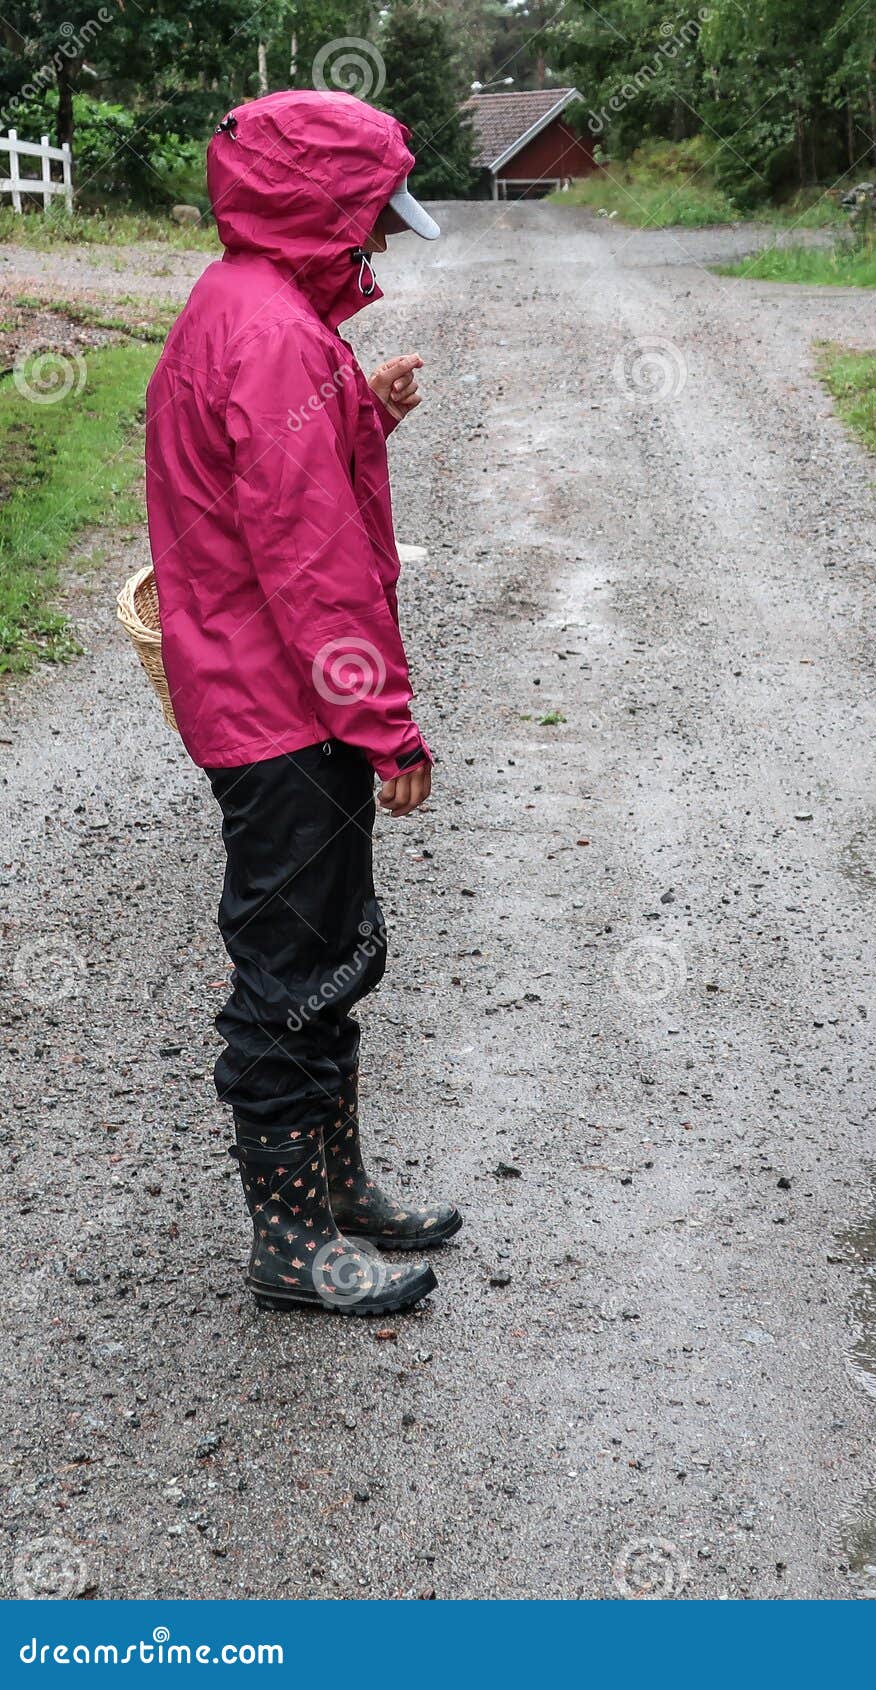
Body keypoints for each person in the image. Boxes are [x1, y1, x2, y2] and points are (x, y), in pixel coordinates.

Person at [144, 90, 456, 1315]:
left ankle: (336, 1192)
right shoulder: (269, 331)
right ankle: (290, 1243)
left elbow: (264, 478)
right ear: (318, 209)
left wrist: (355, 409)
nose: (378, 242)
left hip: (277, 699)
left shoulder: (254, 311)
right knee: (291, 970)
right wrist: (386, 722)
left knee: (333, 952)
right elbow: (311, 562)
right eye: (371, 217)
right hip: (285, 712)